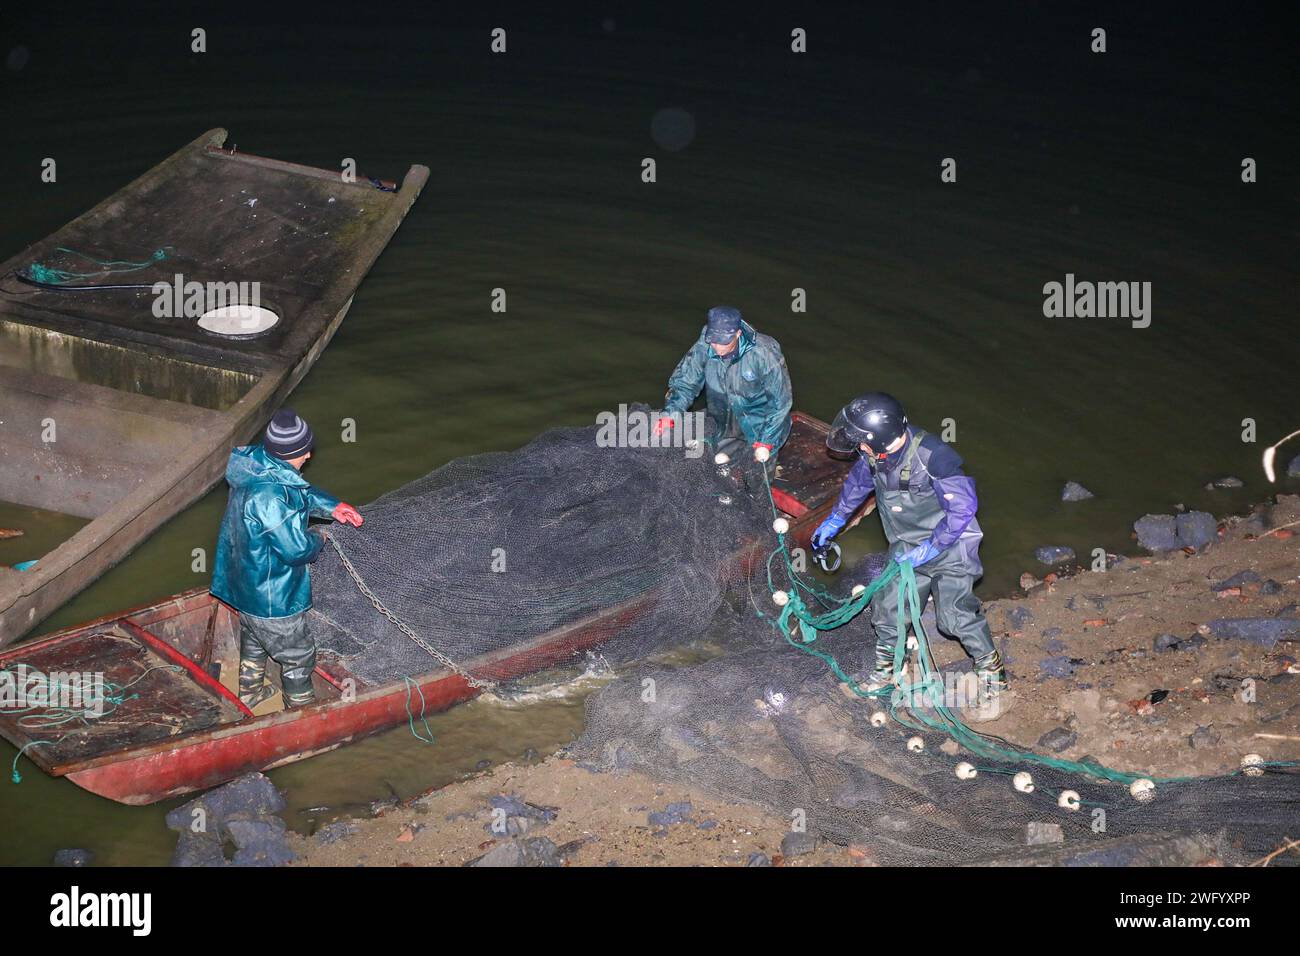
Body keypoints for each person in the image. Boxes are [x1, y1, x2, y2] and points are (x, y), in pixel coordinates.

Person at [811, 392, 1008, 699]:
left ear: (878, 437)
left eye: (862, 441)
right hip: (907, 545)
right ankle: (890, 671)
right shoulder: (875, 455)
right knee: (889, 608)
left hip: (953, 543)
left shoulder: (933, 457)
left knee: (954, 617)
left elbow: (963, 509)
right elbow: (859, 483)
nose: (860, 448)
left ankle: (993, 676)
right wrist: (835, 519)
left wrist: (932, 548)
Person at [211, 408, 363, 709]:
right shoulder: (269, 498)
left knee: (255, 639)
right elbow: (295, 550)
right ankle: (300, 709)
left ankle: (251, 693)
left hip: (244, 585)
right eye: (304, 452)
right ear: (291, 452)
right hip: (272, 596)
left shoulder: (257, 465)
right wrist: (319, 538)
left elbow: (296, 491)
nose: (308, 456)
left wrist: (332, 507)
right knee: (298, 654)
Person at [655, 306, 792, 473]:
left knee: (756, 474)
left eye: (724, 342)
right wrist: (671, 413)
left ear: (738, 334)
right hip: (723, 420)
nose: (717, 347)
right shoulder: (705, 345)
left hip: (761, 423)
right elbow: (685, 382)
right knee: (713, 463)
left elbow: (781, 403)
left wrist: (766, 441)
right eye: (713, 340)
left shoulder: (764, 353)